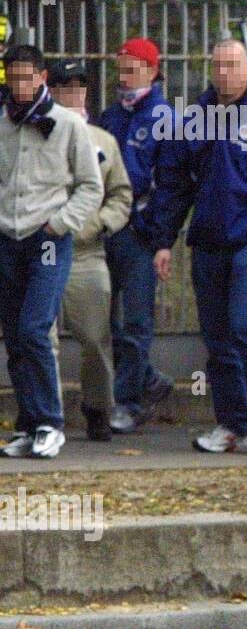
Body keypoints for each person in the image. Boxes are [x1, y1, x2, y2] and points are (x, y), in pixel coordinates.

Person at [148, 39, 247, 455]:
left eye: (233, 65)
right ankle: (233, 423)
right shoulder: (196, 119)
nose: (224, 73)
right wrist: (164, 241)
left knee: (246, 326)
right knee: (216, 337)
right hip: (207, 243)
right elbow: (175, 185)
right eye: (218, 65)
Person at [0, 45, 103, 459]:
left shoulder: (67, 125)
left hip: (46, 239)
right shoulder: (3, 123)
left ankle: (49, 421)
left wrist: (59, 223)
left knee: (34, 327)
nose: (20, 85)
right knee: (14, 336)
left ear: (42, 77)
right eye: (13, 77)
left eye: (28, 77)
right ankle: (28, 424)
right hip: (8, 237)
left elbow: (91, 186)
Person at [45, 60, 133, 442]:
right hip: (41, 252)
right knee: (39, 339)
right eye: (65, 87)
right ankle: (43, 414)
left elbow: (121, 194)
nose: (73, 94)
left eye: (79, 87)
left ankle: (98, 408)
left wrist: (101, 224)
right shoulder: (34, 134)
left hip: (86, 252)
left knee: (96, 338)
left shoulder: (103, 141)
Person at [98, 37, 175, 434]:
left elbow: (170, 182)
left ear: (151, 70)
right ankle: (146, 380)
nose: (124, 78)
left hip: (140, 229)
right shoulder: (112, 115)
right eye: (120, 70)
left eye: (132, 70)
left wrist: (158, 235)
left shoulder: (163, 117)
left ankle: (129, 401)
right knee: (106, 320)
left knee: (136, 320)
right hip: (109, 224)